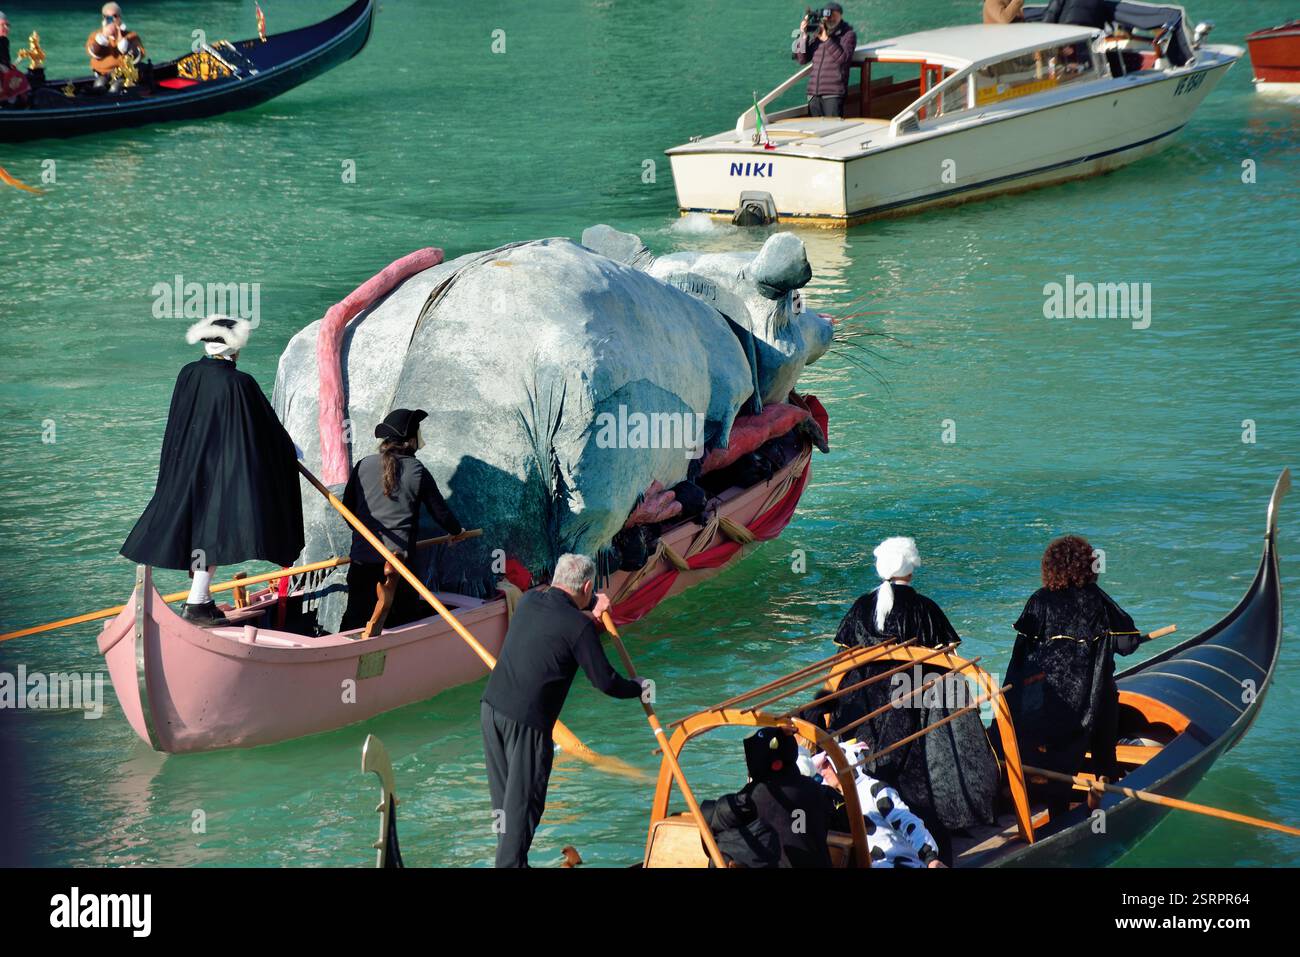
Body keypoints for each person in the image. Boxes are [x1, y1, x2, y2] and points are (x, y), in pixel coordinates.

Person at [820, 536, 997, 863]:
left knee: (868, 769)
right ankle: (932, 852)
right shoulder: (924, 607)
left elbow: (841, 660)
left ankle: (870, 841)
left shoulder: (861, 606)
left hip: (862, 705)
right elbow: (950, 660)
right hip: (911, 702)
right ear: (911, 570)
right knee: (917, 777)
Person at [120, 316, 305, 624]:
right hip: (222, 471)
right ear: (235, 348)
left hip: (188, 464)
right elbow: (265, 431)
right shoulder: (240, 382)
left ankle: (201, 600)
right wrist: (289, 451)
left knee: (198, 530)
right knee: (215, 533)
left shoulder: (188, 374)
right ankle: (196, 603)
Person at [480, 554, 648, 867]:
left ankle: (513, 862)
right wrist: (638, 687)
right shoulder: (577, 628)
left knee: (505, 807)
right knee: (524, 805)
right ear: (587, 586)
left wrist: (592, 617)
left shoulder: (529, 600)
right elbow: (606, 682)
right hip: (525, 723)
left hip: (491, 709)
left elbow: (560, 628)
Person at [1004, 534, 1142, 814]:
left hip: (1054, 705)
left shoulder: (1039, 601)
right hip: (1097, 701)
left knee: (1058, 762)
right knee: (1105, 744)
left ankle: (1059, 814)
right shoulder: (1097, 600)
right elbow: (1128, 644)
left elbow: (1022, 656)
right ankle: (1103, 779)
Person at [339, 408, 466, 634]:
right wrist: (457, 531)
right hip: (398, 568)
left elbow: (347, 511)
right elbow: (441, 513)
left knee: (354, 622)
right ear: (410, 439)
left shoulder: (362, 465)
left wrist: (363, 537)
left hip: (360, 564)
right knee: (403, 625)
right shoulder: (417, 470)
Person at [701, 727, 838, 868]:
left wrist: (708, 809)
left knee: (723, 840)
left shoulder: (754, 794)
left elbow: (723, 815)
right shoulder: (817, 789)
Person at [792, 3, 857, 119]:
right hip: (813, 95)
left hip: (833, 94)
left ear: (840, 16)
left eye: (832, 15)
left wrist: (826, 40)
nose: (829, 18)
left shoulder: (848, 35)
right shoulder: (818, 35)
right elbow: (801, 59)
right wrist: (803, 35)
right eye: (826, 15)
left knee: (833, 132)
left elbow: (843, 59)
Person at [87, 3, 144, 92]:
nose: (112, 20)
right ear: (104, 19)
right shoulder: (95, 36)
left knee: (115, 87)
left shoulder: (131, 36)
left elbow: (137, 55)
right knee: (99, 83)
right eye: (108, 18)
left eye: (115, 16)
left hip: (124, 75)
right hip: (103, 75)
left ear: (120, 18)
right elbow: (94, 53)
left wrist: (122, 41)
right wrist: (104, 36)